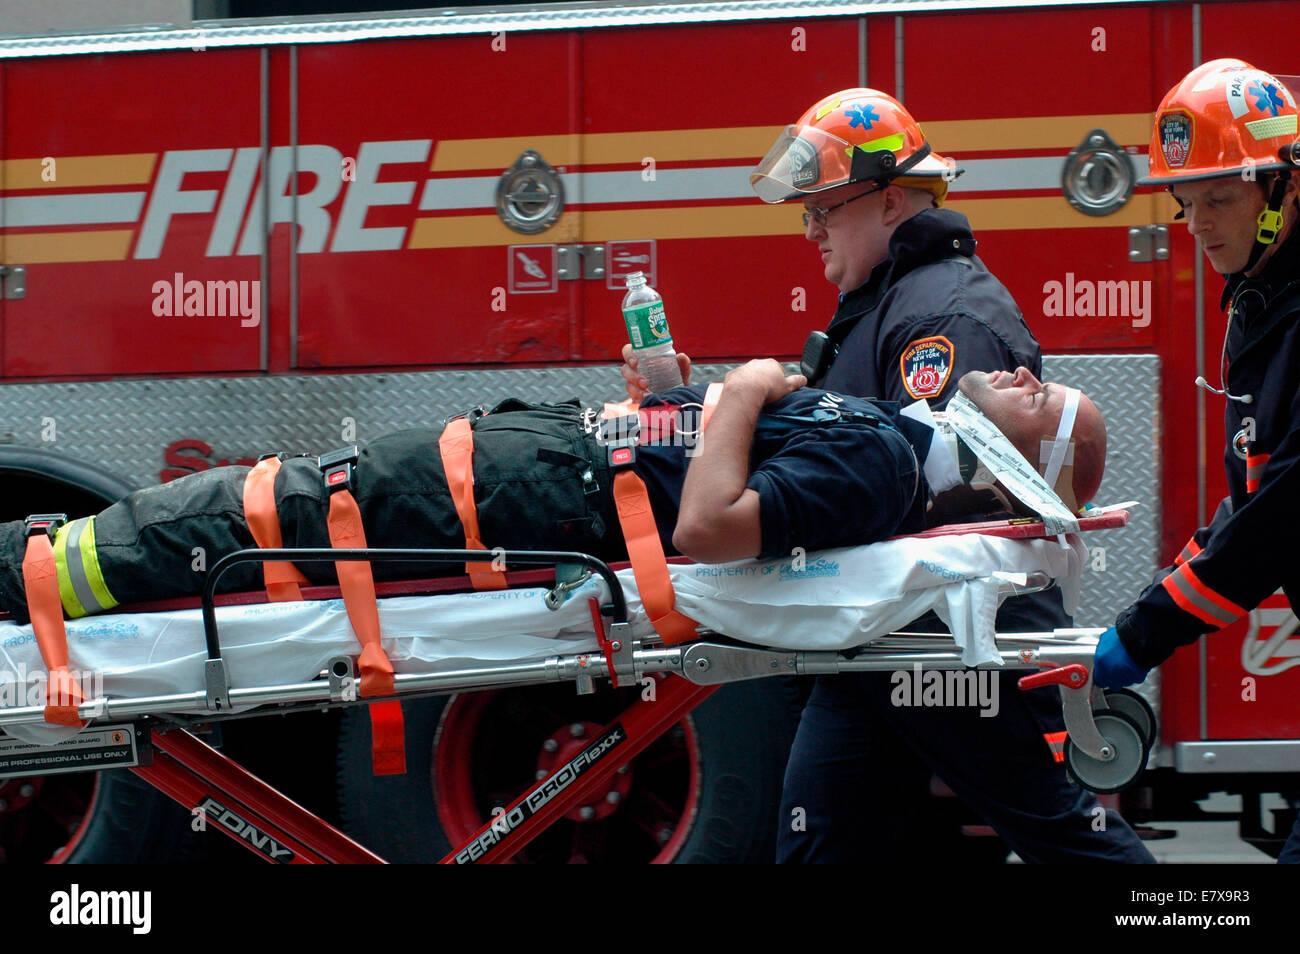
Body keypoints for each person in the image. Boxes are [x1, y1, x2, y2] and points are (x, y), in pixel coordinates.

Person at [624, 88, 1154, 863]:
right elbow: (838, 452)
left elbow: (913, 482)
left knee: (1059, 833)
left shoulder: (945, 318)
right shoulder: (893, 306)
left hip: (932, 638)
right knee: (828, 836)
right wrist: (693, 407)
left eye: (824, 210)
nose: (808, 229)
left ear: (892, 201)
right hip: (884, 637)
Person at [0, 360, 1100, 623]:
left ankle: (22, 577)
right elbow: (719, 474)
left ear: (1020, 468)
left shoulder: (880, 466)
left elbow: (709, 527)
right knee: (258, 506)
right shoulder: (886, 449)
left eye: (1043, 400)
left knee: (244, 515)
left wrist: (745, 391)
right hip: (542, 470)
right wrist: (681, 395)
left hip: (535, 491)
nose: (1021, 375)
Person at [1088, 59, 1300, 861]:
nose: (1199, 222)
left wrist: (1142, 635)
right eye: (1186, 202)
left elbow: (1279, 513)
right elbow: (1250, 500)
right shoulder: (1266, 299)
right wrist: (1144, 614)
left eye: (1220, 198)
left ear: (1281, 188)